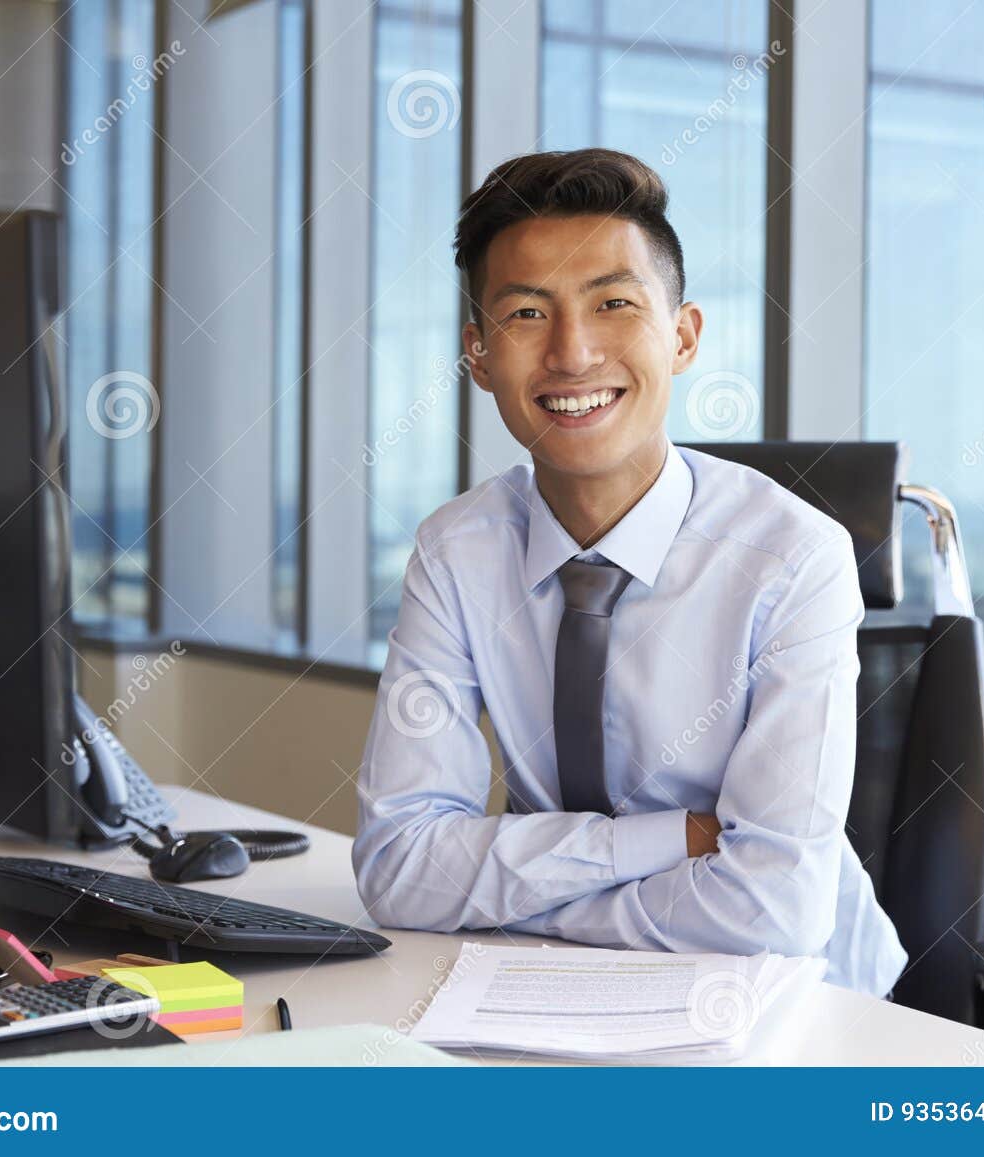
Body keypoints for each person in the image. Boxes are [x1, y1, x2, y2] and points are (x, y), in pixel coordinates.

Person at [352, 147, 906, 996]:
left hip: (800, 1010)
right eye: (528, 314)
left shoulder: (795, 558)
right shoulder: (455, 551)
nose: (572, 354)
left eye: (613, 303)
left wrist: (504, 898)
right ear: (477, 354)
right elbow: (398, 866)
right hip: (542, 1000)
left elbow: (774, 907)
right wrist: (667, 841)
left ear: (681, 336)